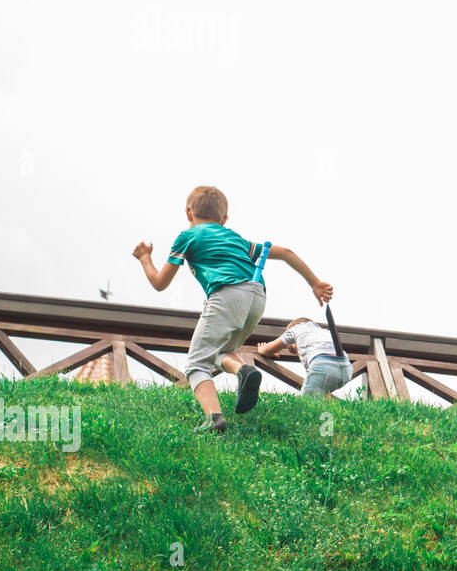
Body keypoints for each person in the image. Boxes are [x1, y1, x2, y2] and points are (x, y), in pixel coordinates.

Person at [132, 185, 333, 434]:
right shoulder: (237, 239)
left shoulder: (188, 237)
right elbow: (285, 252)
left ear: (188, 213)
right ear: (224, 219)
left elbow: (160, 283)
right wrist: (314, 282)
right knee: (221, 351)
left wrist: (145, 258)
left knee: (196, 365)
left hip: (226, 293)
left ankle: (214, 418)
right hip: (257, 296)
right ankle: (243, 369)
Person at [257, 317, 352, 396]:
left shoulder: (294, 330)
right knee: (320, 398)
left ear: (293, 344)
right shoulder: (324, 331)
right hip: (347, 369)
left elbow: (268, 349)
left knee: (304, 407)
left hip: (323, 366)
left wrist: (262, 349)